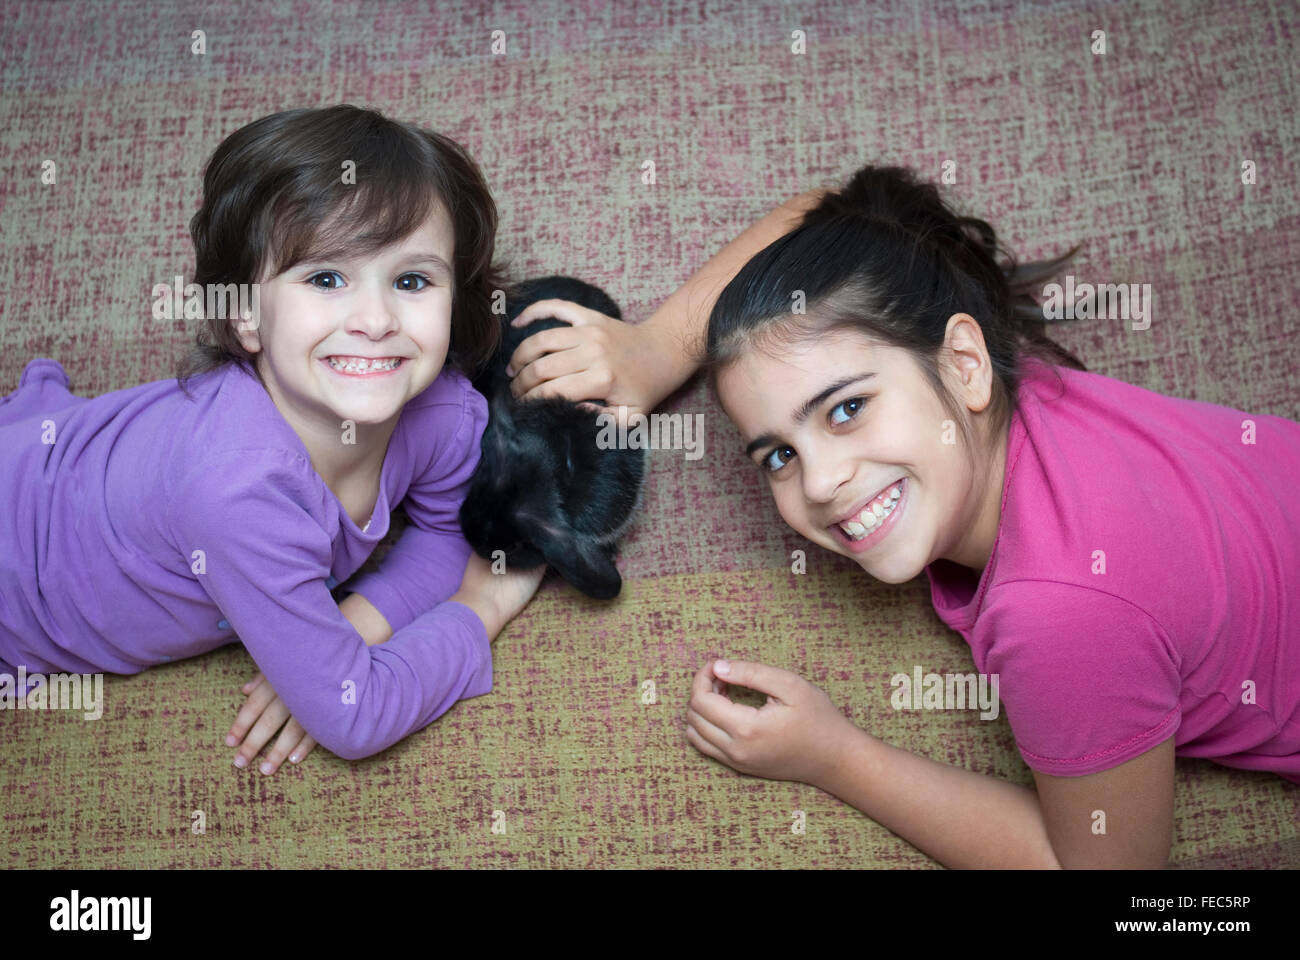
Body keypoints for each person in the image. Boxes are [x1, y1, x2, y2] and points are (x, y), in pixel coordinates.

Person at [504, 164, 1300, 869]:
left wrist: (834, 756)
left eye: (846, 408)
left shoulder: (1062, 616)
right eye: (777, 454)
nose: (819, 482)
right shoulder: (975, 353)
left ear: (964, 363)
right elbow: (835, 210)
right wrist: (658, 350)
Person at [0, 105, 545, 772]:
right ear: (246, 317)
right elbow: (357, 714)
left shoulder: (445, 416)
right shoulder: (237, 494)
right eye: (325, 278)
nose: (375, 320)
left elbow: (443, 532)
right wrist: (480, 607)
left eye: (410, 280)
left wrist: (357, 624)